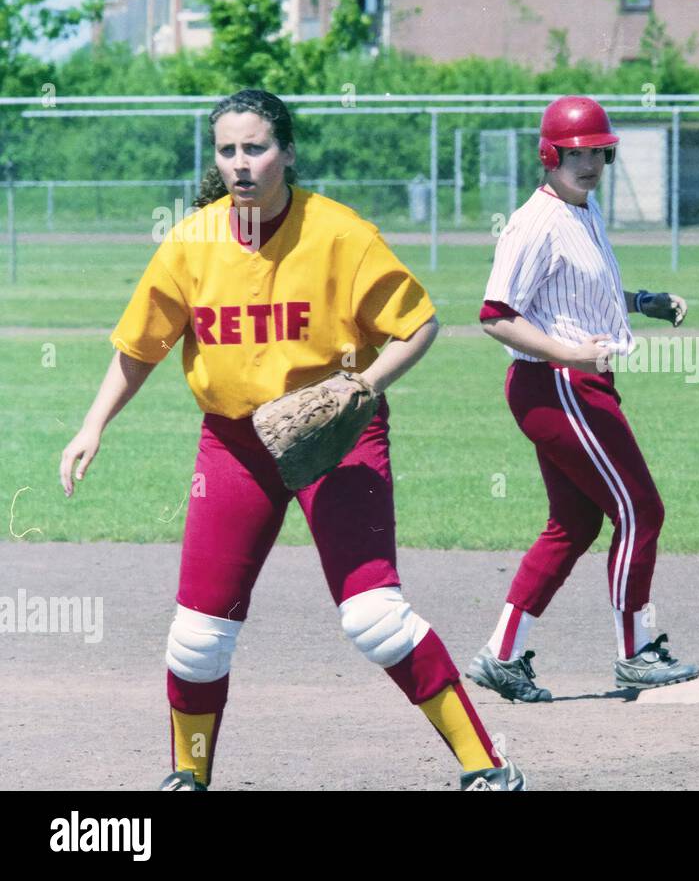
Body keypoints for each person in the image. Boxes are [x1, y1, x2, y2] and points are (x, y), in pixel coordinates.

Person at [58, 89, 524, 790]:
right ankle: (189, 778)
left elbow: (419, 324)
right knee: (196, 637)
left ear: (288, 151)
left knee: (376, 619)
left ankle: (485, 767)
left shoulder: (338, 233)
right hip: (235, 445)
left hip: (337, 437)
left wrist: (361, 388)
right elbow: (142, 346)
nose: (242, 164)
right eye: (228, 150)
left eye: (257, 147)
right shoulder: (193, 241)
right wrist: (93, 423)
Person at [466, 95, 697, 703]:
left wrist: (643, 300)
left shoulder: (583, 208)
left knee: (573, 523)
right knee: (640, 510)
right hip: (558, 384)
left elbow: (581, 294)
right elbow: (494, 317)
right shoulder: (535, 222)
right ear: (550, 154)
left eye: (599, 151)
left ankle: (502, 655)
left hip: (574, 382)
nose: (589, 162)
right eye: (576, 152)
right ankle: (637, 653)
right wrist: (567, 356)